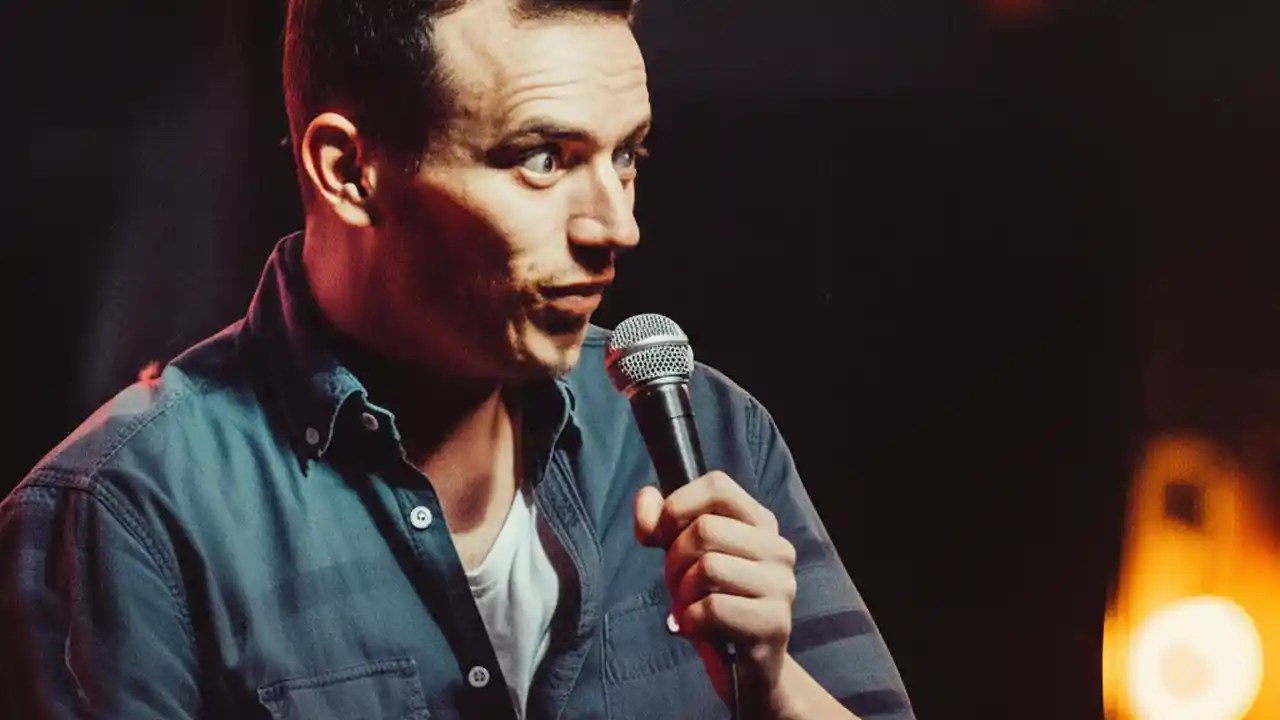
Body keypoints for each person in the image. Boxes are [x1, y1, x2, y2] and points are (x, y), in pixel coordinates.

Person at [0, 0, 914, 718]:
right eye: (543, 159)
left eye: (627, 157)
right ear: (348, 171)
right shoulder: (126, 513)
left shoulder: (709, 430)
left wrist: (774, 684)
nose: (616, 226)